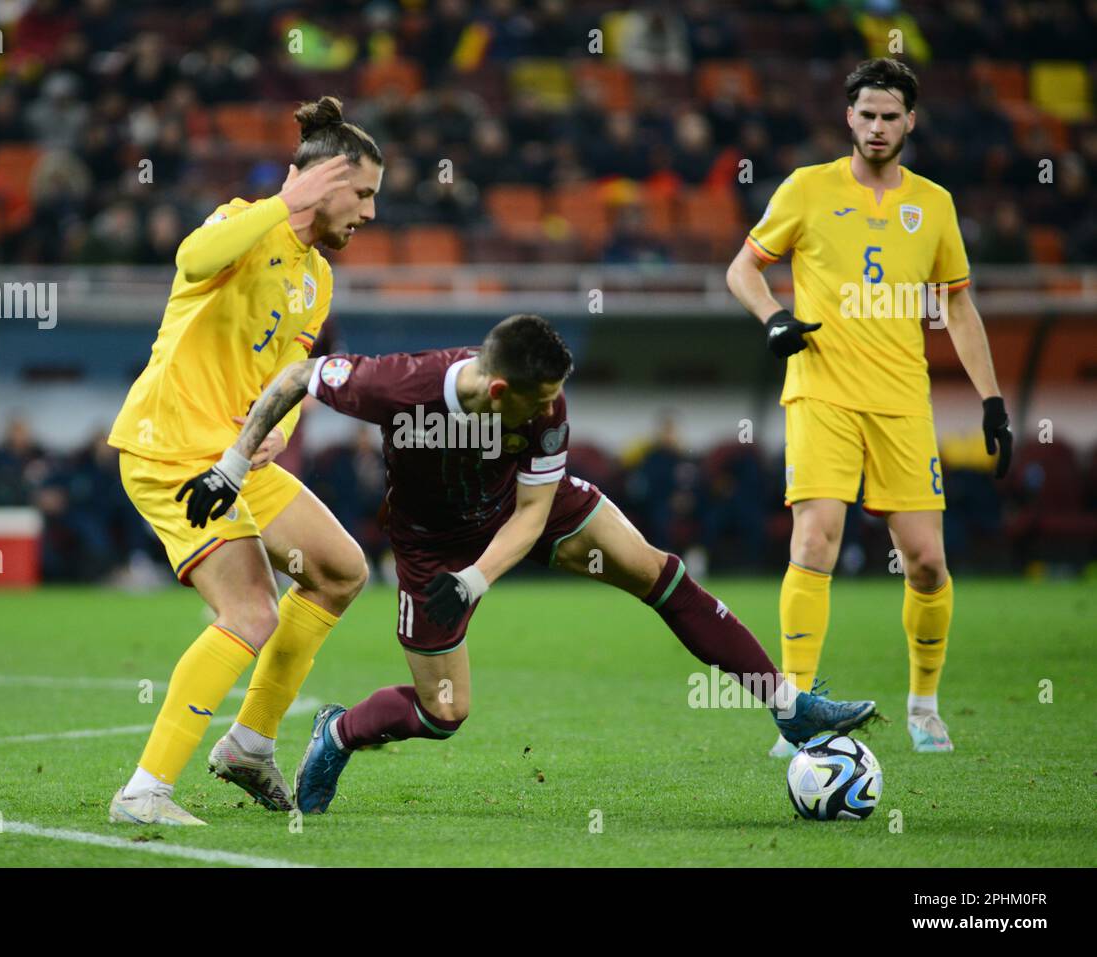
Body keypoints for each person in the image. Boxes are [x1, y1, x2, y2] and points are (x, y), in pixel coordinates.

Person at [187, 314, 877, 813]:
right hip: (430, 546)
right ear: (497, 393)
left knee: (659, 573)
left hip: (525, 510)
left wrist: (479, 578)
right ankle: (339, 731)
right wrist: (234, 463)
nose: (554, 410)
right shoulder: (400, 385)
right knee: (445, 711)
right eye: (541, 400)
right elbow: (297, 376)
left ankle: (788, 705)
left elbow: (532, 511)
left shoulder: (545, 398)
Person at [105, 96, 382, 826]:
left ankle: (249, 744)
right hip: (170, 447)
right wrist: (285, 198)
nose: (370, 212)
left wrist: (279, 429)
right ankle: (144, 791)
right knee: (252, 608)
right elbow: (191, 259)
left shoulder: (317, 281)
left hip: (235, 455)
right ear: (319, 183)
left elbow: (287, 380)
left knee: (340, 569)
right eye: (362, 194)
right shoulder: (238, 221)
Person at [725, 58, 1012, 756]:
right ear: (848, 118)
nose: (878, 127)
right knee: (814, 540)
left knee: (925, 564)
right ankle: (796, 709)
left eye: (891, 116)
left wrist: (994, 398)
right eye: (867, 114)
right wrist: (772, 318)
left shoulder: (934, 204)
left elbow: (959, 304)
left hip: (901, 404)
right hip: (821, 392)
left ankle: (923, 706)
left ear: (911, 120)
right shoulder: (808, 189)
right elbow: (742, 268)